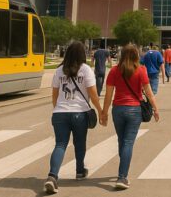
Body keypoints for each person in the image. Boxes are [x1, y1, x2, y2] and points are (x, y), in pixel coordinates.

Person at [44, 41, 103, 194]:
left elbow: (55, 94)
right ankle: (79, 170)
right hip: (79, 113)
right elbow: (93, 94)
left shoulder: (59, 70)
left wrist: (57, 109)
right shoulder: (86, 70)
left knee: (60, 144)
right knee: (80, 143)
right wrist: (101, 111)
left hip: (60, 113)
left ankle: (52, 176)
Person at [101, 44, 160, 190]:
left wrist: (104, 112)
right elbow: (149, 92)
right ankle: (122, 177)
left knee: (122, 141)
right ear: (136, 55)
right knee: (128, 142)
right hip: (134, 110)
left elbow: (108, 94)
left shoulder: (114, 71)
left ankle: (123, 169)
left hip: (118, 109)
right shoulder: (141, 70)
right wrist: (155, 109)